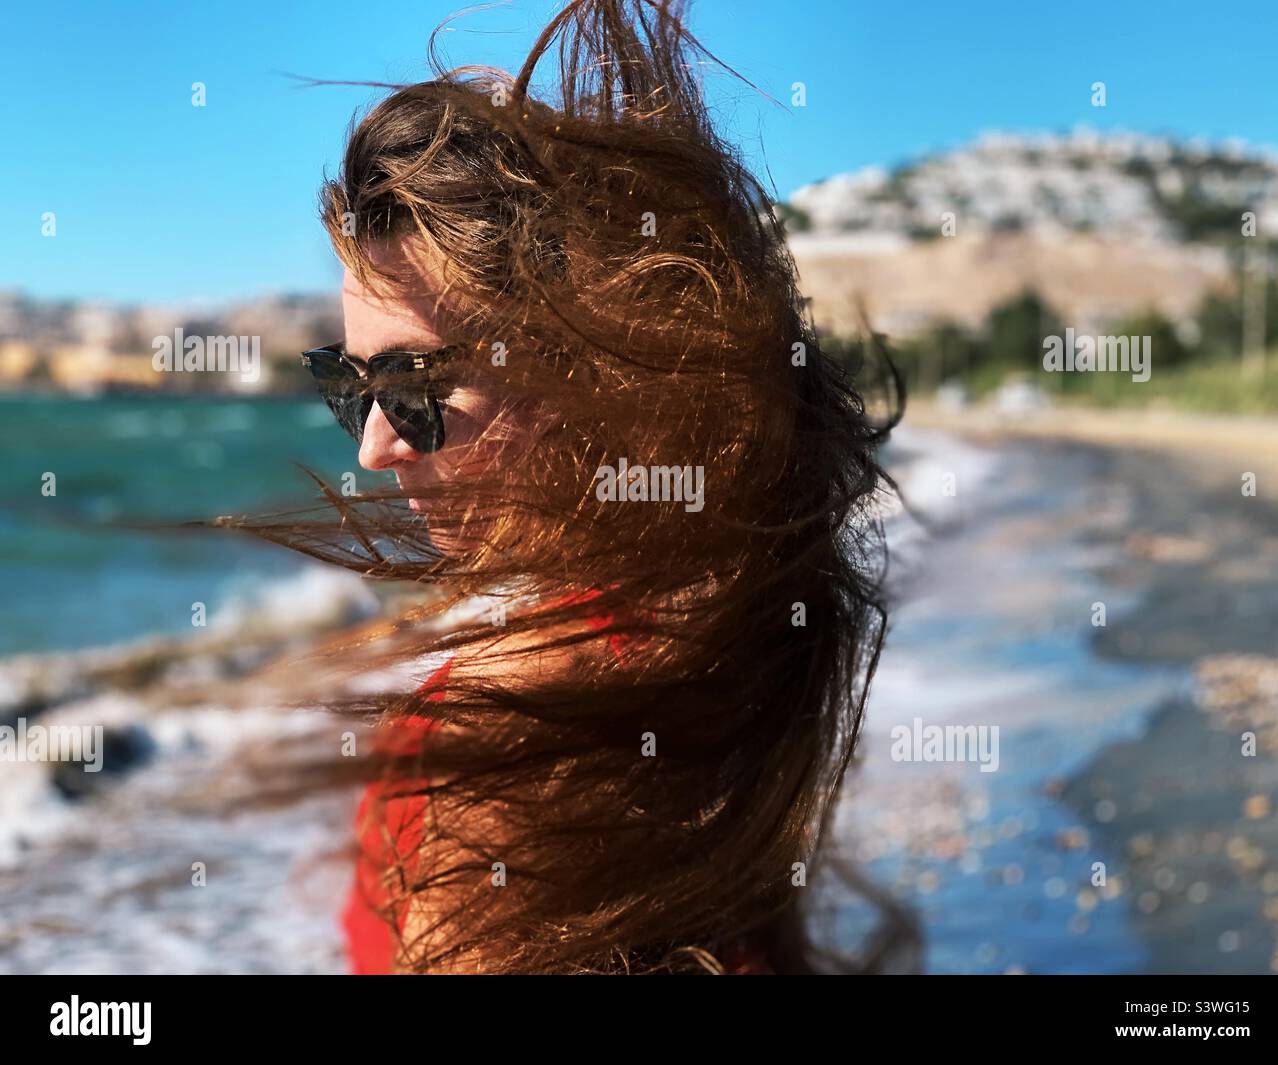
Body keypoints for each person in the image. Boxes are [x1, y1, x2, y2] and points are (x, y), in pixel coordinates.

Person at [239, 0, 905, 974]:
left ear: (591, 378)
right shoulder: (733, 623)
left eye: (417, 386)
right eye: (354, 387)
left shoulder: (509, 733)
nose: (374, 449)